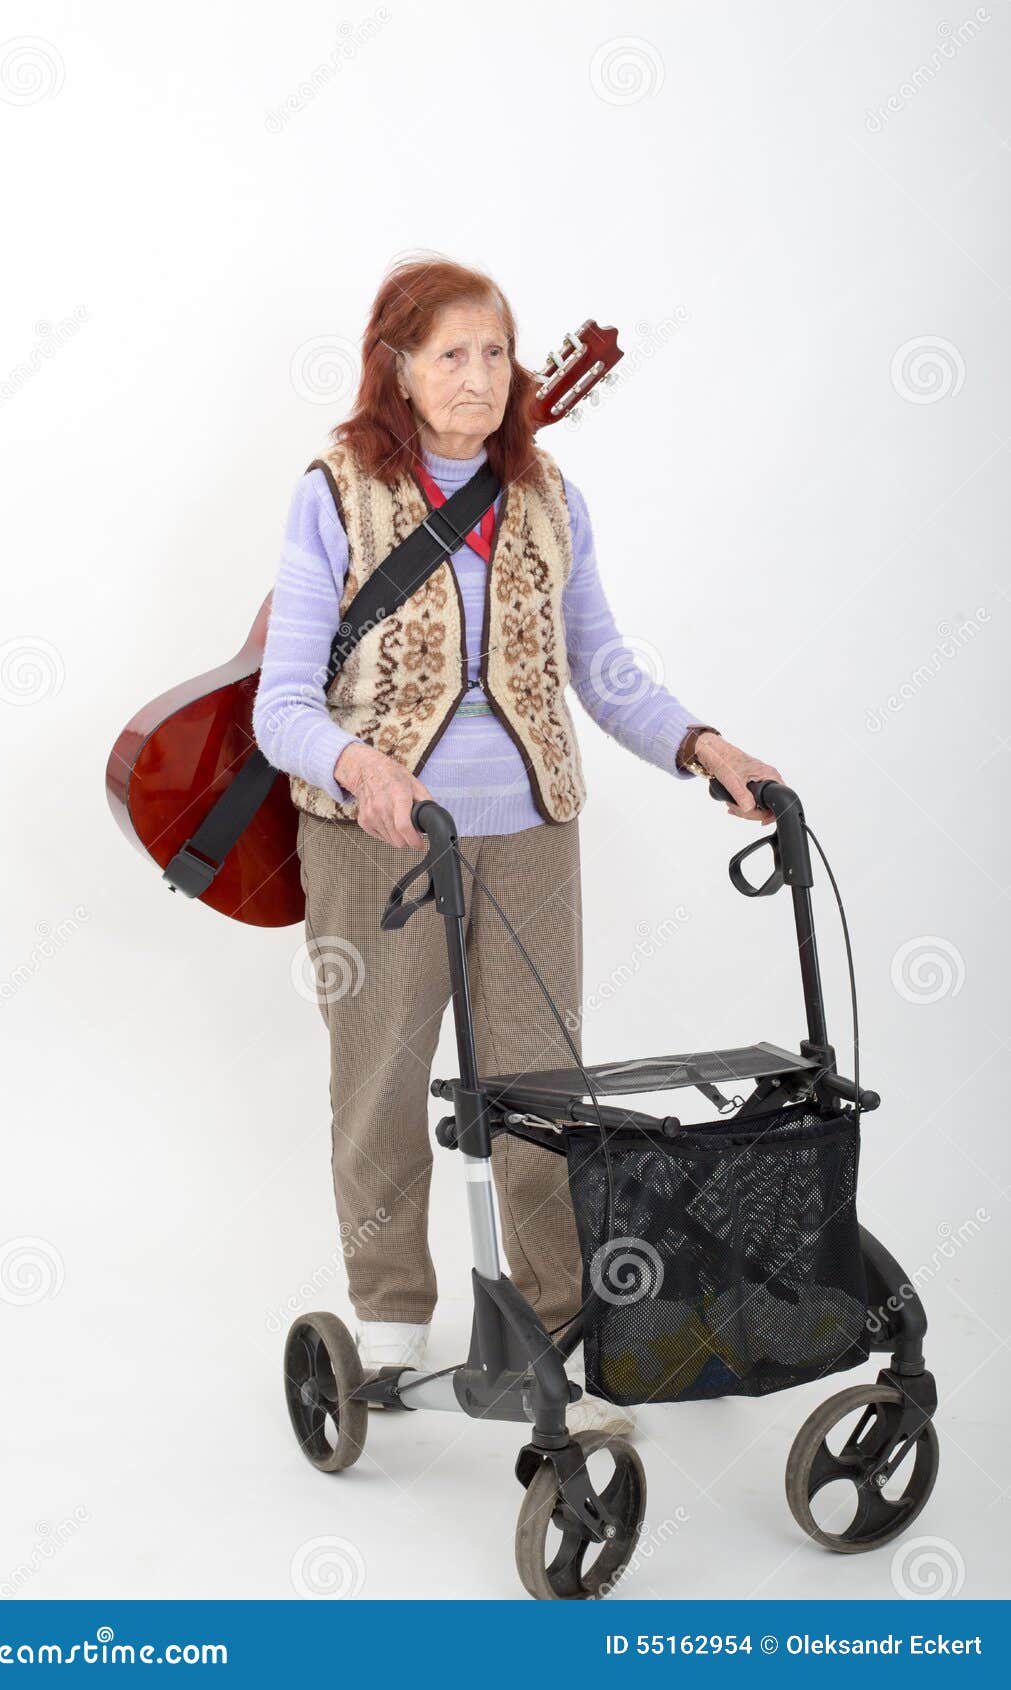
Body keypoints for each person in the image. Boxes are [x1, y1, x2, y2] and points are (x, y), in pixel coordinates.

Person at [254, 257, 783, 1436]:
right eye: (451, 354)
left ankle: (548, 1330)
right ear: (394, 364)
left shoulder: (546, 494)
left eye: (496, 353)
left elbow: (600, 668)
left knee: (545, 1093)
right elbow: (280, 702)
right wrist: (360, 765)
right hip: (377, 844)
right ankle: (388, 1323)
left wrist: (701, 746)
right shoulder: (333, 493)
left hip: (532, 832)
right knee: (380, 1080)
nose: (479, 376)